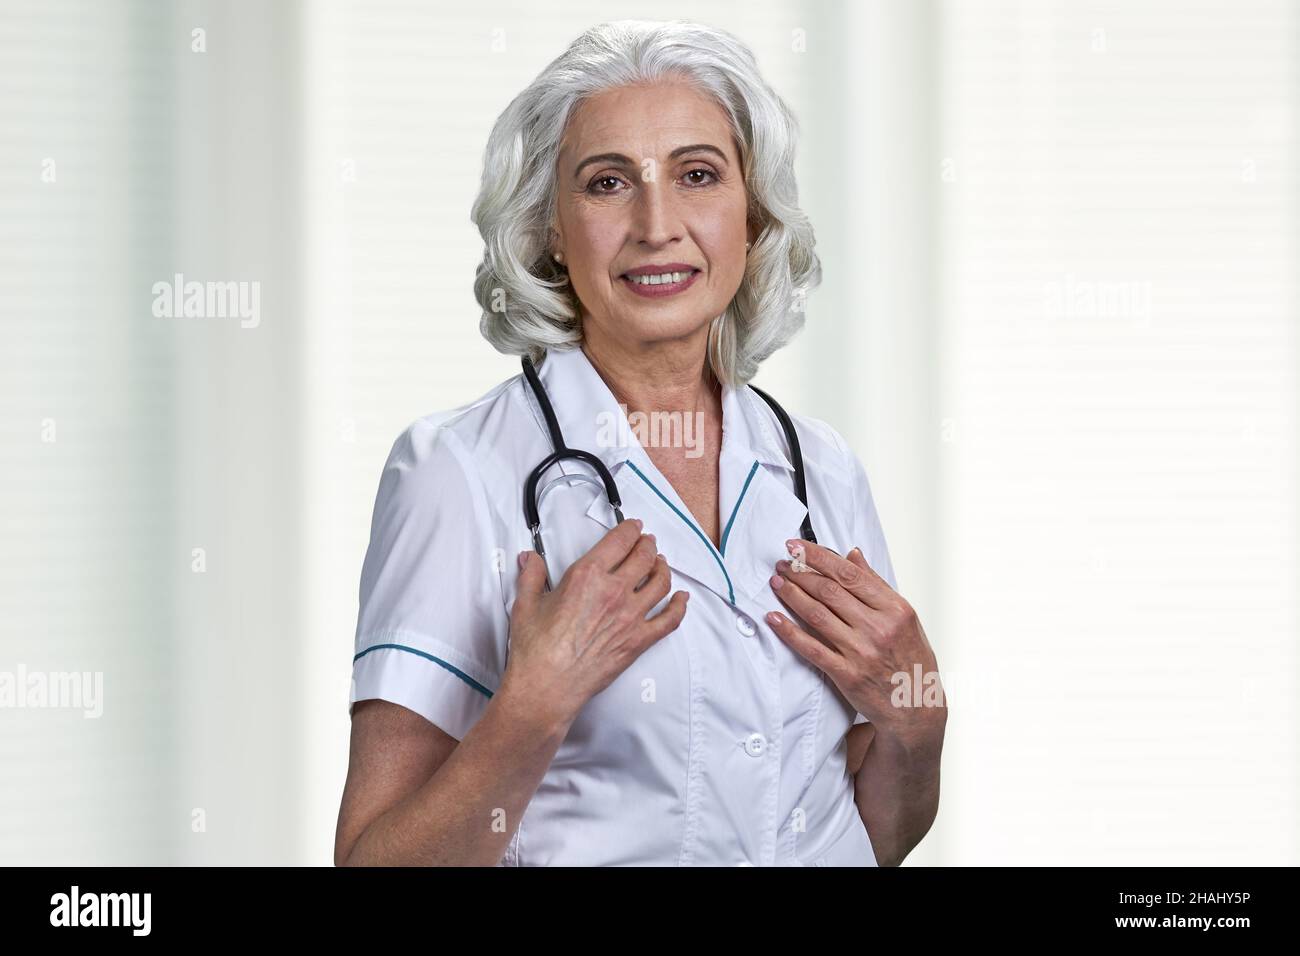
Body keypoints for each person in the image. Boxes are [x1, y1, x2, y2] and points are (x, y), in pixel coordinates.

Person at [334, 18, 946, 867]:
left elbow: (866, 835)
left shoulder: (821, 472)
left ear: (753, 215)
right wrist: (533, 707)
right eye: (607, 183)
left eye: (698, 175)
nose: (658, 224)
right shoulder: (461, 473)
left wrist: (917, 723)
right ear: (550, 227)